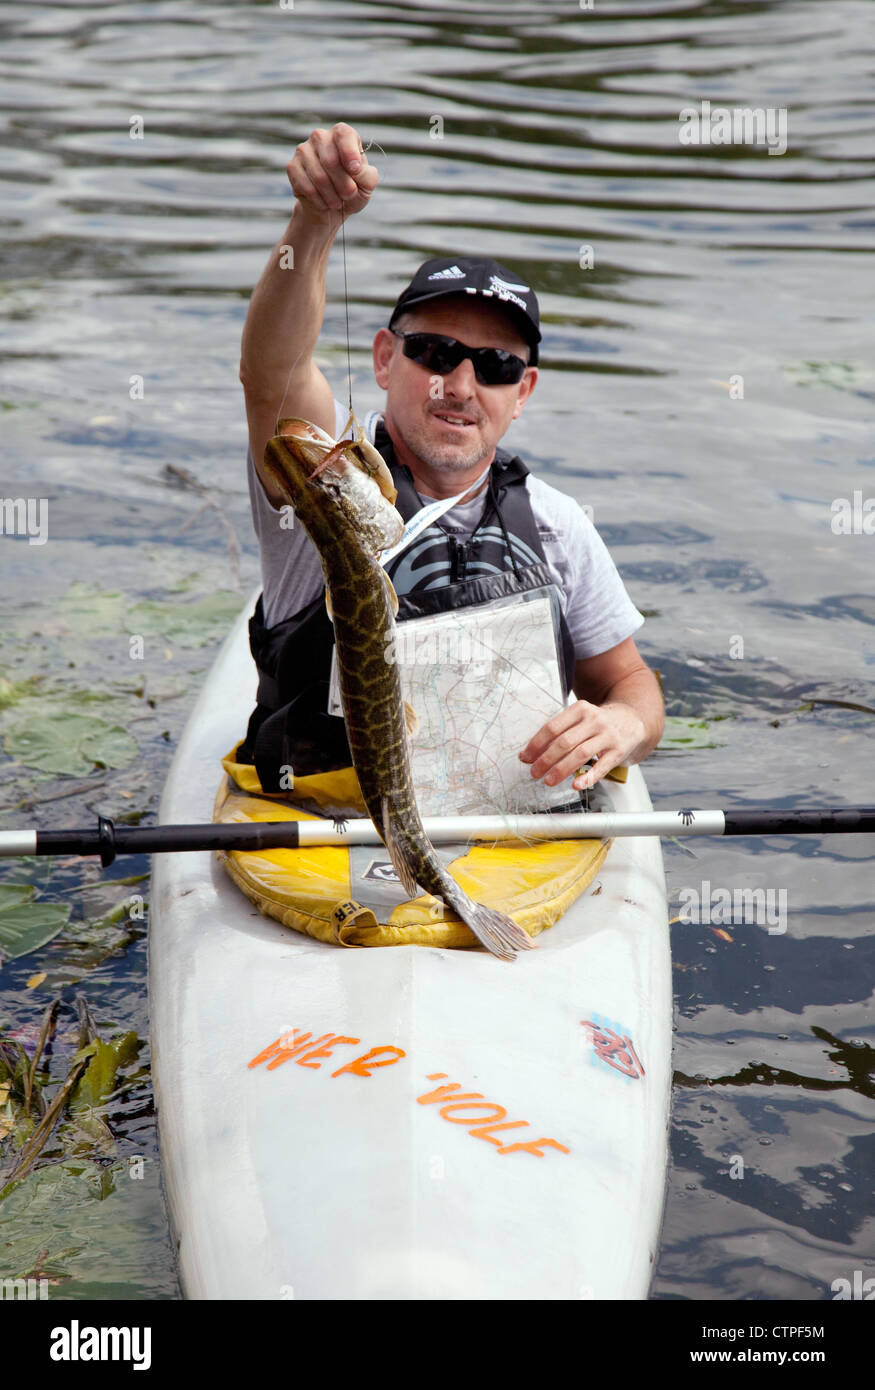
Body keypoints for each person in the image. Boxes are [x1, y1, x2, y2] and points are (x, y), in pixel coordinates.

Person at [237, 122, 663, 799]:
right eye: (435, 354)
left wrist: (619, 726)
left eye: (495, 367)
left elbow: (629, 682)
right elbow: (271, 374)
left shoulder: (557, 525)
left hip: (508, 826)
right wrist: (314, 223)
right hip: (321, 825)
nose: (460, 387)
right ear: (384, 358)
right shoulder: (328, 486)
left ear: (521, 392)